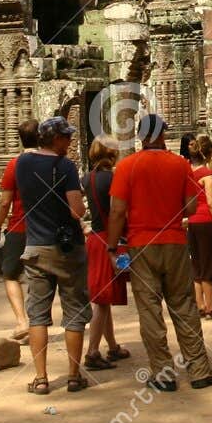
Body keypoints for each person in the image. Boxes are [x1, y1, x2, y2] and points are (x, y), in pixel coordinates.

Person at [106, 114, 212, 391]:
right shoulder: (179, 165)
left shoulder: (126, 166)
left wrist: (111, 246)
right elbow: (191, 207)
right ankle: (199, 370)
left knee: (150, 309)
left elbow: (117, 210)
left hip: (140, 243)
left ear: (141, 137)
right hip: (175, 241)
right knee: (183, 306)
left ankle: (163, 373)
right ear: (160, 135)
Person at [17, 116, 92, 394]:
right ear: (55, 139)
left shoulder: (23, 163)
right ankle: (73, 375)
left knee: (37, 314)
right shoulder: (65, 166)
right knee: (74, 312)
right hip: (66, 248)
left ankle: (40, 378)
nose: (71, 142)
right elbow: (77, 211)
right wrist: (79, 199)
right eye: (67, 138)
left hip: (35, 246)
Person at [0, 119, 40, 341]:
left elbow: (4, 202)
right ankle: (37, 324)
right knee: (40, 277)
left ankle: (22, 322)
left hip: (18, 226)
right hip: (43, 229)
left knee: (11, 274)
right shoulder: (52, 162)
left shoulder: (14, 164)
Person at [81, 138, 130, 370]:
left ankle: (112, 346)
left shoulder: (87, 179)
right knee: (101, 301)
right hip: (110, 241)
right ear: (112, 155)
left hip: (94, 238)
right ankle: (92, 351)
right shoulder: (114, 178)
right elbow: (119, 211)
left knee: (104, 297)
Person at [186, 134, 212, 319]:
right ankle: (211, 307)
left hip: (192, 222)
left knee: (197, 265)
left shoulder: (187, 172)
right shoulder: (206, 174)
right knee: (209, 266)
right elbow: (211, 202)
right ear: (208, 154)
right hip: (206, 221)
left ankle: (200, 305)